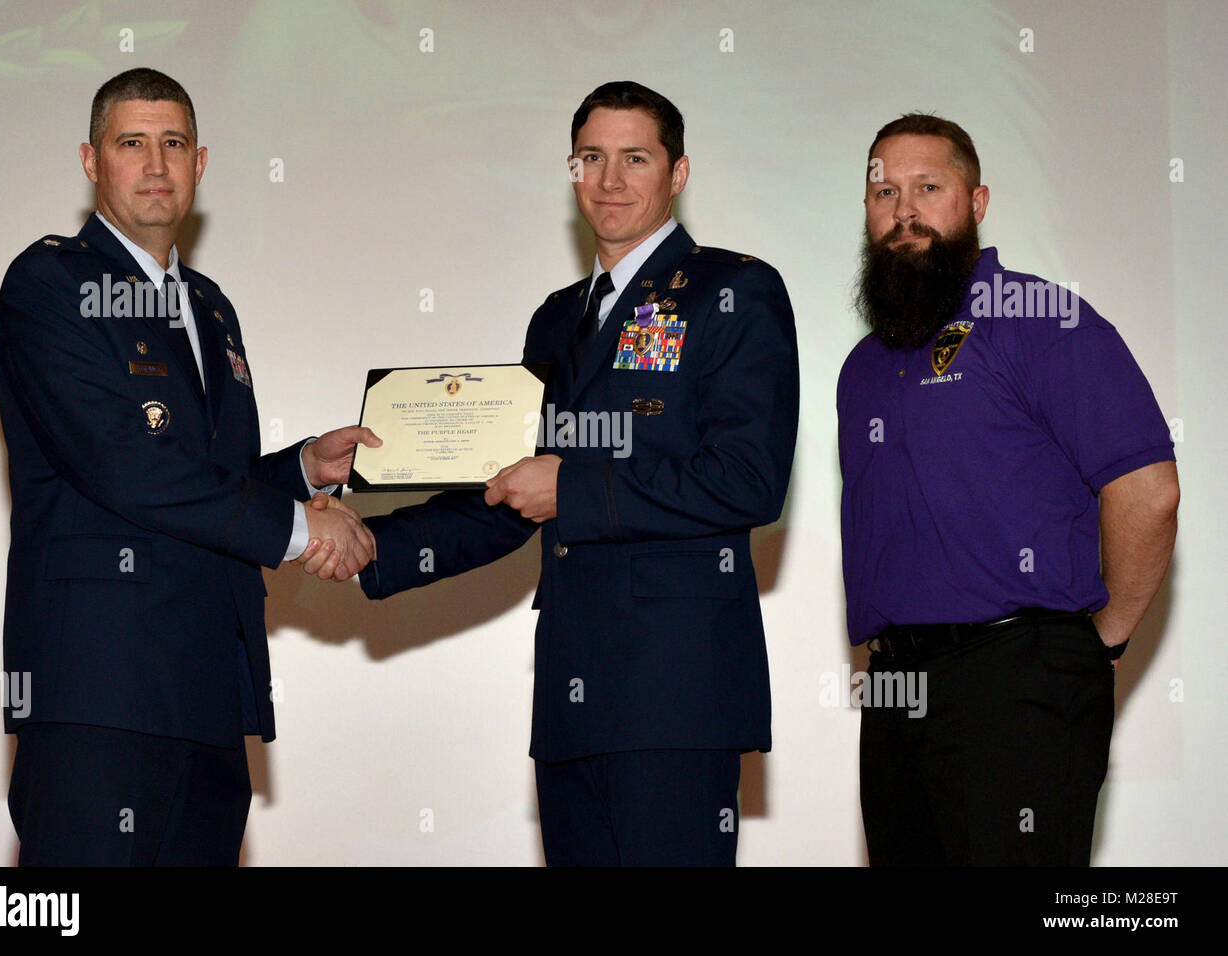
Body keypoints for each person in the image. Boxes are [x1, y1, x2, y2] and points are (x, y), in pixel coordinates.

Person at [322, 81, 798, 865]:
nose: (610, 181)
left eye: (634, 158)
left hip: (677, 697)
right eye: (591, 158)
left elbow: (748, 480)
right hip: (575, 694)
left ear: (677, 174)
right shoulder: (556, 317)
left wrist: (569, 489)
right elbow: (511, 494)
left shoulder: (733, 289)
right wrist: (376, 545)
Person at [0, 67, 378, 866]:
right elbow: (125, 468)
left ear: (200, 163)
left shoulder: (208, 305)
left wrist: (302, 469)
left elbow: (209, 479)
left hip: (207, 692)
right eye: (131, 143)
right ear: (91, 161)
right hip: (97, 695)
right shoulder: (50, 282)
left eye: (173, 144)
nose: (156, 164)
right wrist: (300, 528)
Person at [838, 113, 1179, 865]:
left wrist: (1097, 643)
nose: (904, 210)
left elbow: (1148, 490)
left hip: (1018, 683)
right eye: (884, 192)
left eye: (929, 187)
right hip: (894, 691)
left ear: (978, 201)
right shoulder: (861, 367)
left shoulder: (1040, 319)